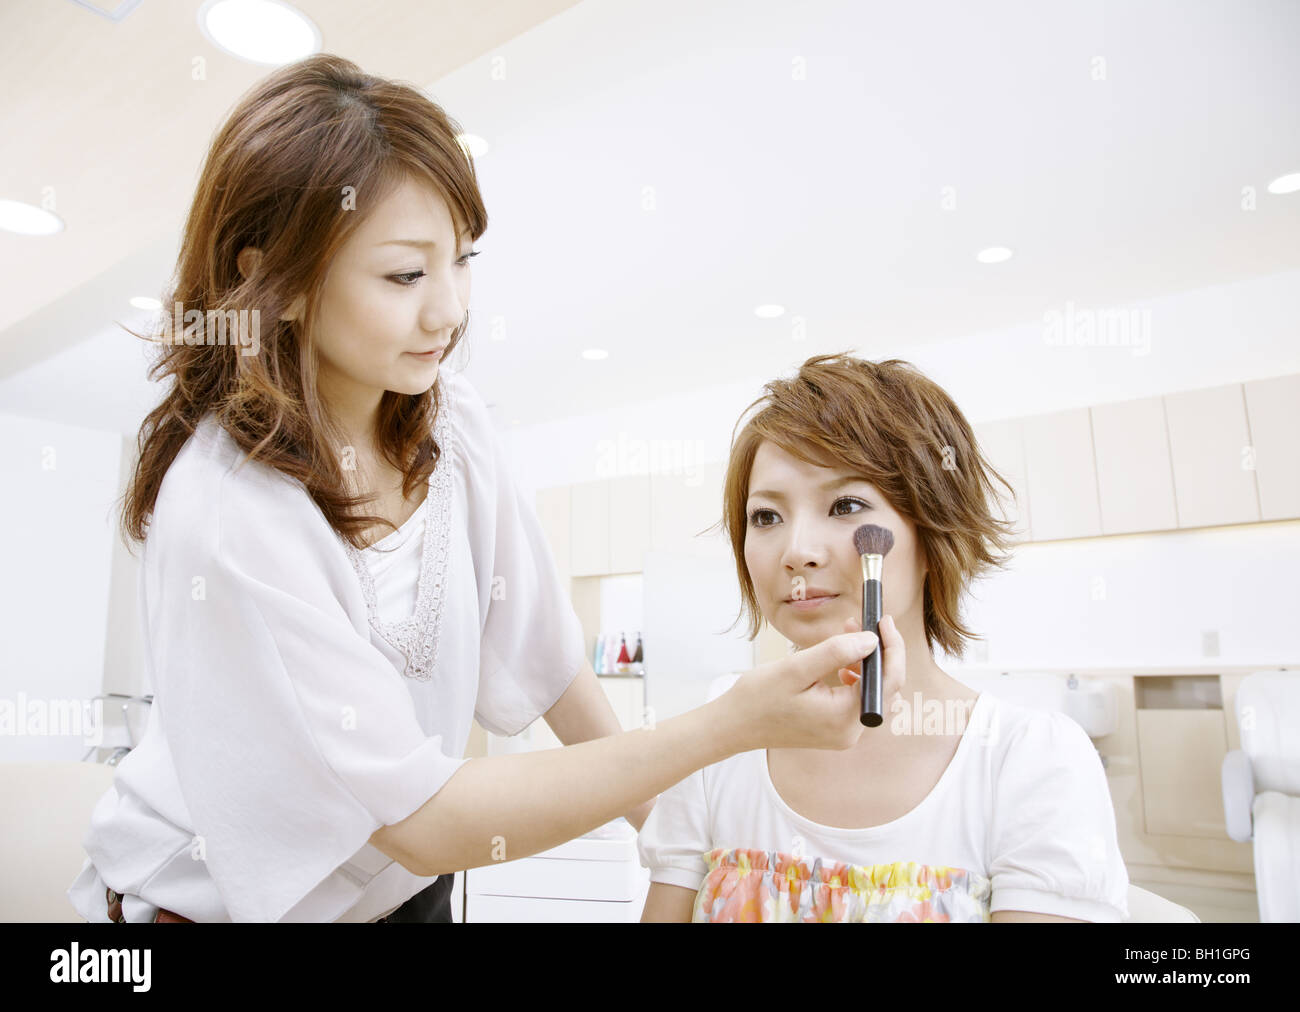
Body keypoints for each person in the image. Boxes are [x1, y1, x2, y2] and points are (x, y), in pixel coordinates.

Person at [66, 55, 879, 923]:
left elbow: (549, 660)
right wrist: (728, 726)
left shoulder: (449, 419)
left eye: (463, 260)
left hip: (408, 887)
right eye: (406, 275)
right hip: (214, 906)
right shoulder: (231, 510)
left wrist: (690, 852)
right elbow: (420, 818)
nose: (449, 310)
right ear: (282, 282)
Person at [637, 353, 1131, 923]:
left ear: (934, 532)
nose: (797, 551)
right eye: (766, 516)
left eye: (846, 506)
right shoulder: (719, 741)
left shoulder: (1032, 764)